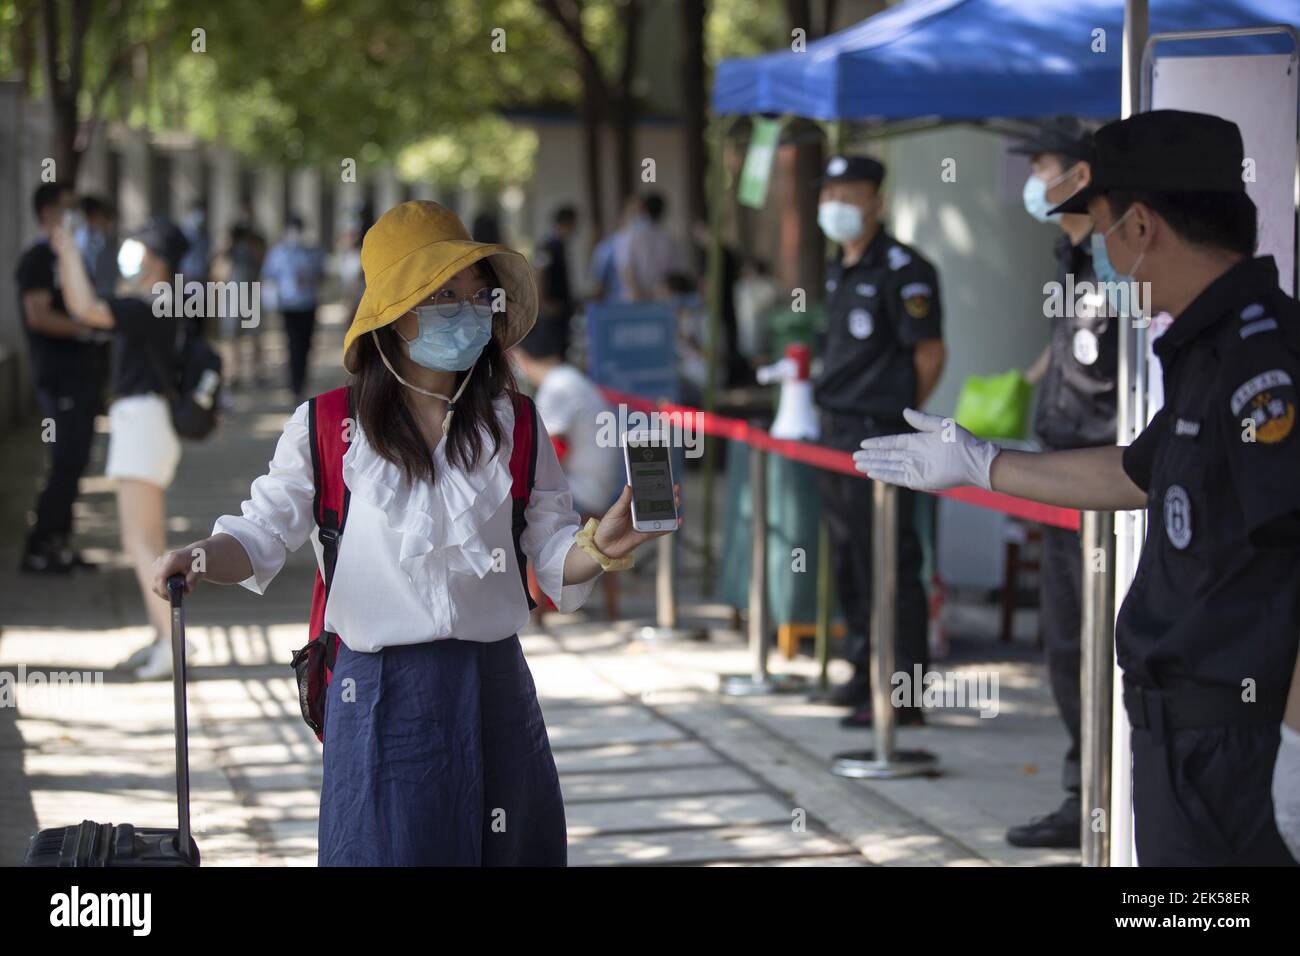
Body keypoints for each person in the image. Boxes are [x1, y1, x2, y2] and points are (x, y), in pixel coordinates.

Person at [150, 201, 679, 865]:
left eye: (476, 293)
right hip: (374, 694)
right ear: (395, 315)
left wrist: (603, 545)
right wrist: (198, 557)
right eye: (444, 294)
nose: (467, 308)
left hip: (495, 690)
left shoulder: (515, 422)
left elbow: (548, 553)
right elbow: (259, 536)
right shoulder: (326, 428)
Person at [854, 111, 1299, 866]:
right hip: (1187, 734)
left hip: (1241, 738)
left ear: (1141, 225)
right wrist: (984, 465)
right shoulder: (1206, 347)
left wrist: (1293, 745)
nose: (1098, 250)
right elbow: (1138, 469)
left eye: (1099, 227)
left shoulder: (1262, 362)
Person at [1005, 118, 1113, 850]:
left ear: (1080, 175)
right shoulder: (1070, 255)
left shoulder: (1113, 260)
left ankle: (1102, 798)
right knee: (1065, 646)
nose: (1033, 180)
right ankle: (1083, 792)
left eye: (1042, 165)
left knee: (1096, 644)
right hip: (1063, 483)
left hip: (1105, 483)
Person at [812, 154, 947, 726]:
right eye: (830, 193)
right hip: (835, 432)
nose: (838, 204)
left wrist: (897, 415)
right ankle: (863, 666)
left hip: (882, 434)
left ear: (877, 201)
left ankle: (903, 691)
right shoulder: (839, 267)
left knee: (891, 561)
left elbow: (929, 354)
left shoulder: (905, 269)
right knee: (849, 558)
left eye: (851, 192)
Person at [54, 218, 190, 680]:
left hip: (142, 423)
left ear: (155, 259)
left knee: (143, 542)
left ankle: (171, 645)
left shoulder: (148, 304)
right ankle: (162, 637)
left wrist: (66, 248)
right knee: (146, 539)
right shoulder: (168, 303)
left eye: (139, 248)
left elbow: (83, 307)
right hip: (147, 423)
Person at [17, 183, 108, 574]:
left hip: (83, 380)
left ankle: (60, 542)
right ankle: (39, 545)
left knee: (76, 461)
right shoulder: (38, 259)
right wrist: (84, 329)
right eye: (66, 209)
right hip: (58, 381)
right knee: (63, 460)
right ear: (47, 213)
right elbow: (38, 314)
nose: (74, 218)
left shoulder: (73, 258)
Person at [512, 322, 624, 519]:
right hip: (595, 489)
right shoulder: (569, 378)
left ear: (520, 356)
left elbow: (553, 450)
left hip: (583, 494)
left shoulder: (556, 388)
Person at [262, 214, 326, 405]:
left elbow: (322, 276)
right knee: (292, 344)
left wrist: (308, 278)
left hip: (308, 304)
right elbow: (268, 278)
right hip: (288, 306)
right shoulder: (277, 254)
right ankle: (294, 385)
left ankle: (301, 381)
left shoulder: (312, 253)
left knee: (305, 345)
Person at [219, 204, 267, 388]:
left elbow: (263, 257)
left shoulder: (257, 238)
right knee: (231, 335)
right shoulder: (232, 238)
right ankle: (233, 374)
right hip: (233, 290)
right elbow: (220, 258)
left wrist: (250, 240)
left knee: (254, 335)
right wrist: (230, 240)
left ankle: (256, 373)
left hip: (252, 289)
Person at [619, 192, 684, 302]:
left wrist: (638, 293)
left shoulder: (632, 235)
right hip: (655, 296)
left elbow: (626, 267)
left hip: (647, 296)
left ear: (644, 210)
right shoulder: (668, 237)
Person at [535, 205, 577, 358]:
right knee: (553, 352)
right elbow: (539, 274)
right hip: (552, 308)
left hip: (562, 308)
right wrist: (544, 303)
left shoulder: (560, 246)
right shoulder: (548, 246)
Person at [589, 195, 640, 304]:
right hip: (617, 306)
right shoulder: (607, 249)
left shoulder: (648, 246)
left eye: (641, 214)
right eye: (633, 214)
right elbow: (598, 285)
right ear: (622, 217)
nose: (638, 219)